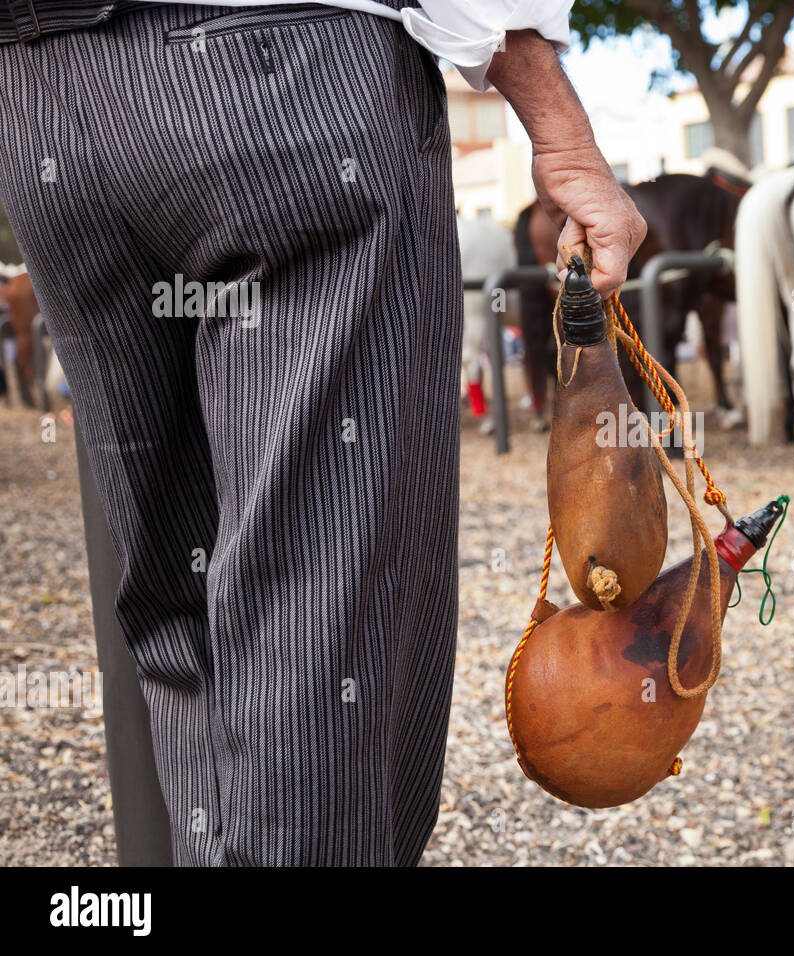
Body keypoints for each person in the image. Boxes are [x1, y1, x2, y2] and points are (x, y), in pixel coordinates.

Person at [0, 0, 644, 866]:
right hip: (281, 78)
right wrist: (560, 132)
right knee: (319, 630)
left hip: (39, 98)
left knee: (180, 623)